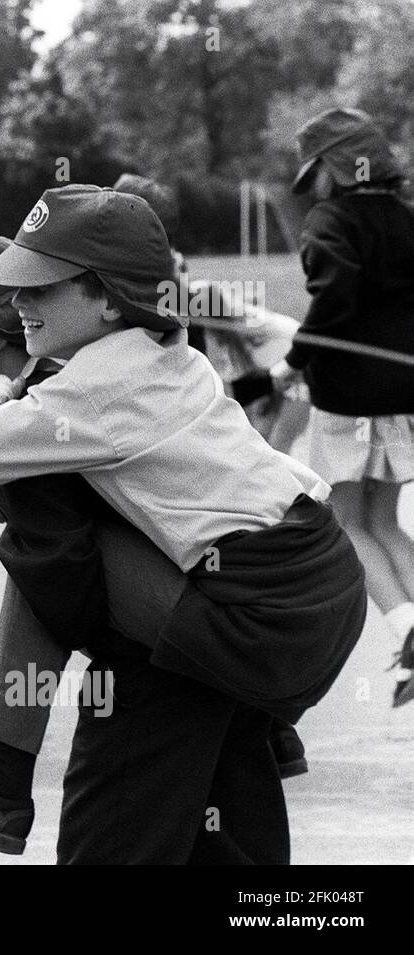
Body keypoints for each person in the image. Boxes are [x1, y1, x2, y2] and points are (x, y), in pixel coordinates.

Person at [0, 186, 367, 863]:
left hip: (265, 610)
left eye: (38, 288)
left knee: (40, 536)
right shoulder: (158, 349)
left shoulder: (96, 388)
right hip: (310, 582)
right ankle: (251, 721)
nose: (18, 303)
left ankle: (3, 777)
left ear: (107, 299)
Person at [271, 107, 414, 707]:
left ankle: (408, 631)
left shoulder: (328, 221)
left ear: (334, 167)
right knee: (386, 520)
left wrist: (290, 364)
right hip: (405, 392)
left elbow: (334, 300)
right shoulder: (407, 217)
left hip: (348, 396)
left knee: (347, 523)